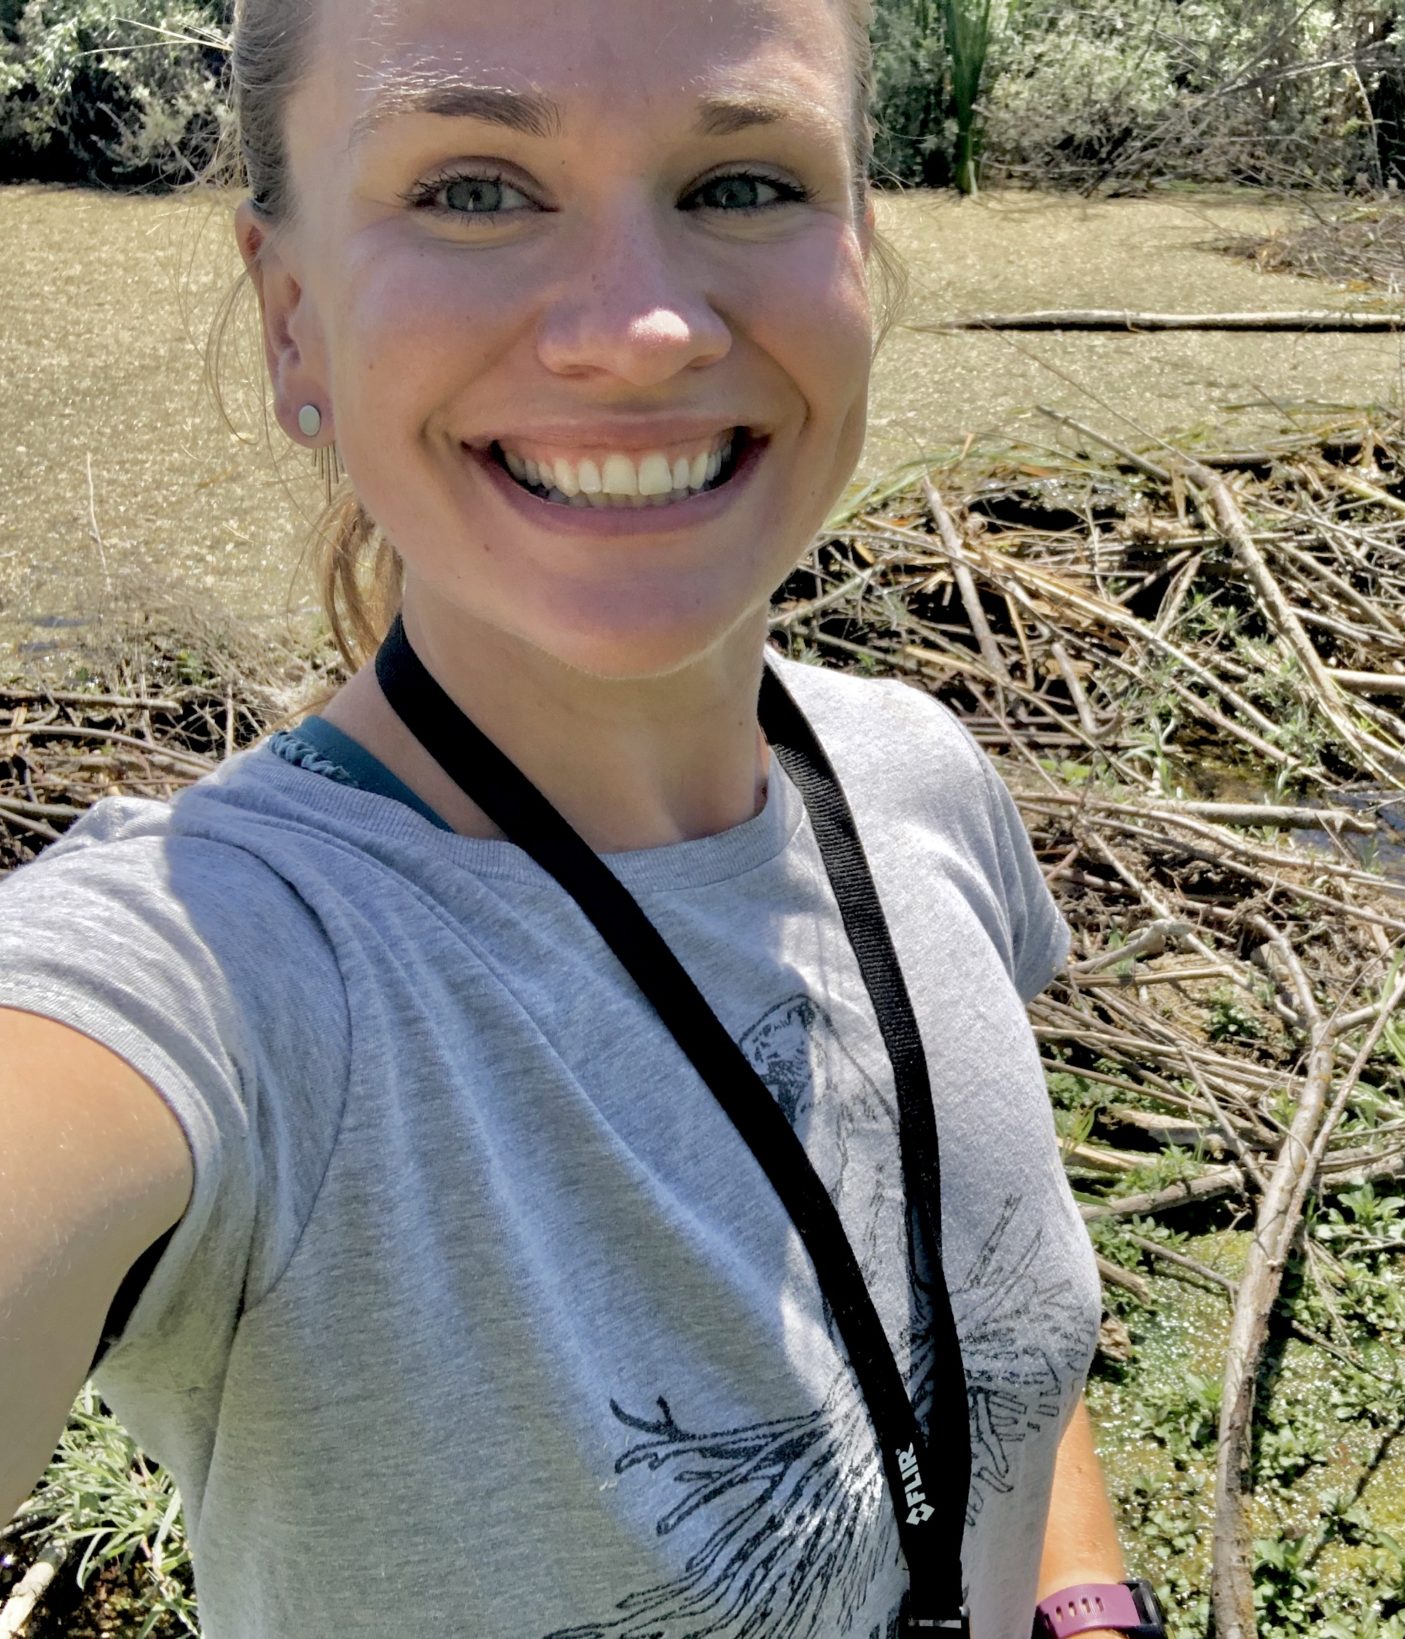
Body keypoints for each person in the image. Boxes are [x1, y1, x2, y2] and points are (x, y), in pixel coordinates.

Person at [0, 2, 1159, 1635]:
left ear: (861, 252)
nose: (644, 329)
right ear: (292, 322)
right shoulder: (217, 977)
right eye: (475, 187)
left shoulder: (920, 785)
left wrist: (1082, 1597)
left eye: (745, 181)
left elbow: (961, 1290)